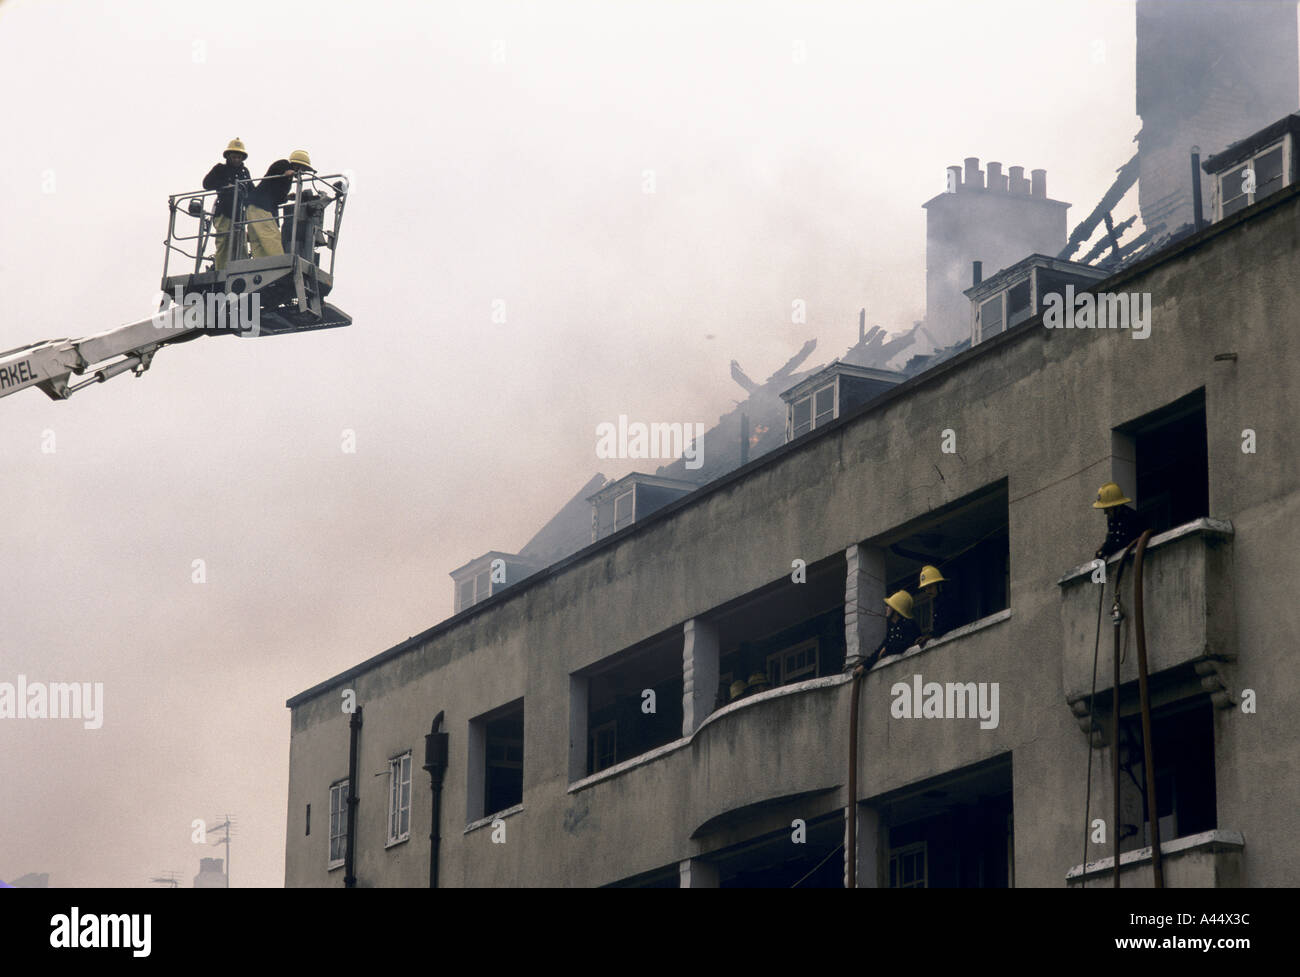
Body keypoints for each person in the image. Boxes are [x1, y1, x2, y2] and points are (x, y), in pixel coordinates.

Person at [246, 149, 316, 258]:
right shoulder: (283, 164)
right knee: (271, 235)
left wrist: (288, 197)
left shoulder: (287, 180)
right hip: (259, 206)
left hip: (257, 206)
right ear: (297, 166)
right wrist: (287, 172)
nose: (302, 172)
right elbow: (278, 168)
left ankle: (261, 261)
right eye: (303, 169)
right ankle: (278, 260)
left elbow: (275, 194)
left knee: (258, 239)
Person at [202, 138, 252, 270]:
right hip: (224, 211)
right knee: (224, 241)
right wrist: (225, 185)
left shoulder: (244, 172)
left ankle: (241, 270)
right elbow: (206, 183)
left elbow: (252, 190)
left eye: (239, 157)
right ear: (228, 156)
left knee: (241, 245)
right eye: (234, 156)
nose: (236, 159)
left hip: (239, 215)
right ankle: (222, 271)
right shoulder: (220, 169)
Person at [862, 590, 920, 670]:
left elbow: (907, 643)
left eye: (889, 606)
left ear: (896, 610)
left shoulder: (909, 625)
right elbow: (880, 650)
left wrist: (888, 649)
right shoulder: (892, 629)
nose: (886, 608)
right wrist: (864, 665)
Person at [1093, 482, 1146, 559]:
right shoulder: (1113, 519)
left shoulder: (1131, 518)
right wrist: (1101, 551)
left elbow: (1119, 543)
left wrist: (1104, 551)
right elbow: (1111, 539)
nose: (1105, 512)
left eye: (1107, 509)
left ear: (1116, 506)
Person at [917, 565, 947, 647]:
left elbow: (946, 625)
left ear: (939, 585)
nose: (927, 591)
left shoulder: (947, 602)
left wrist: (930, 636)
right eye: (925, 588)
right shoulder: (937, 602)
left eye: (930, 587)